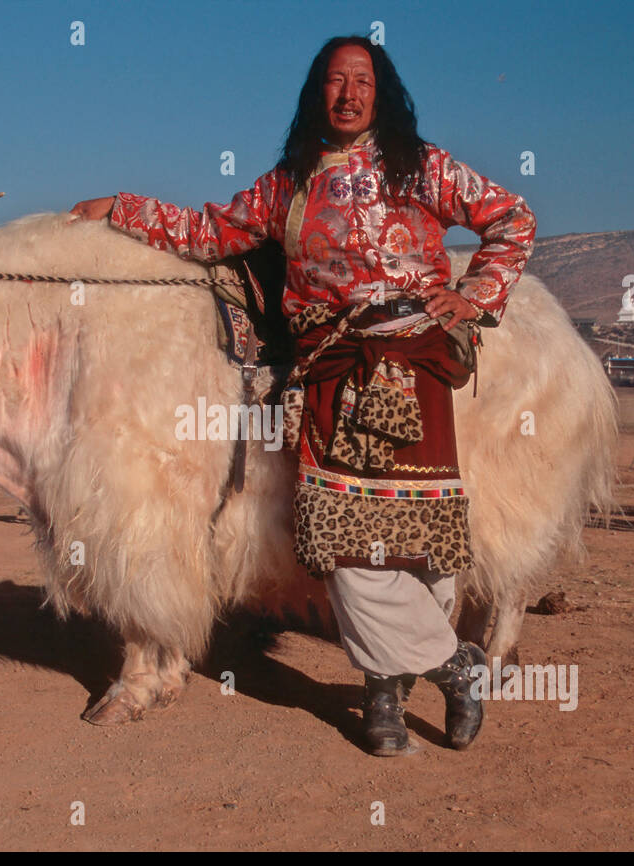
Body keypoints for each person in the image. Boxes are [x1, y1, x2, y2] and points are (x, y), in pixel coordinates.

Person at [70, 36, 536, 756]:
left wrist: (471, 296)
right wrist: (120, 208)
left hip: (413, 367)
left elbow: (513, 219)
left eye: (362, 81)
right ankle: (454, 664)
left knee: (421, 547)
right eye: (334, 81)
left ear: (383, 94)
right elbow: (206, 231)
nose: (348, 94)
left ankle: (384, 699)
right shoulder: (287, 184)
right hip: (327, 373)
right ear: (317, 93)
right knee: (346, 551)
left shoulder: (423, 167)